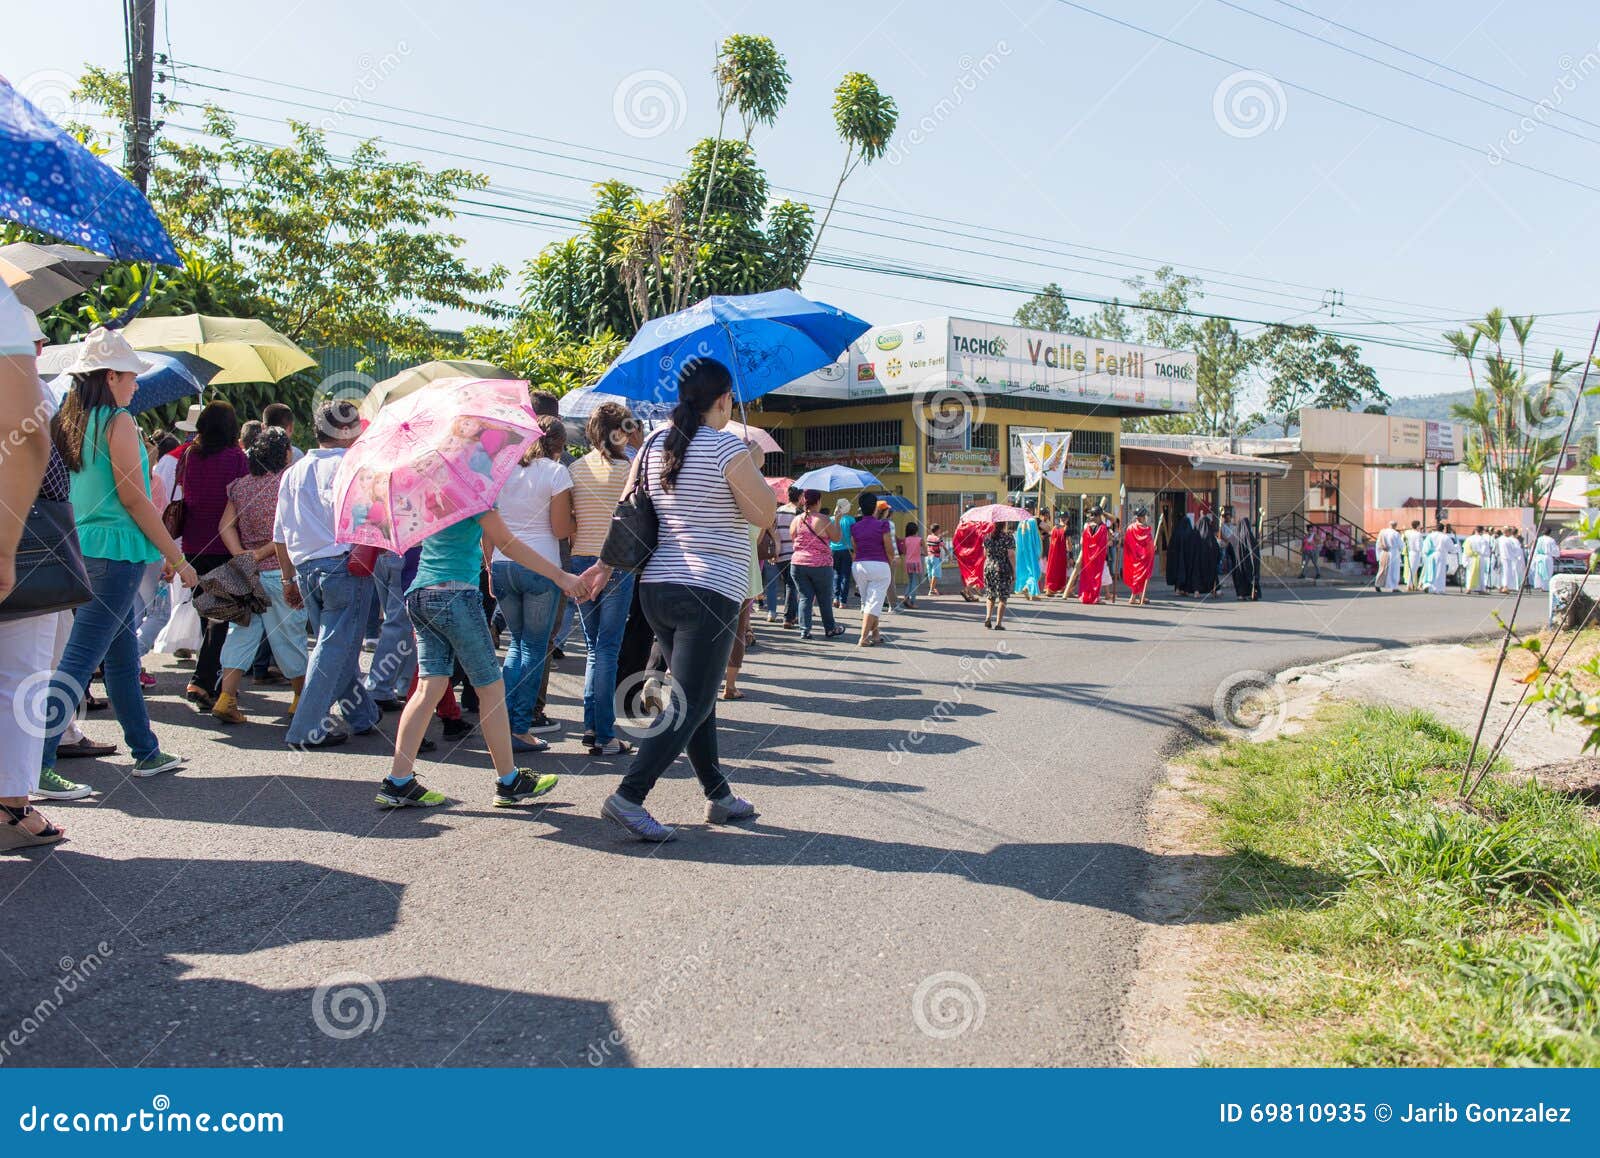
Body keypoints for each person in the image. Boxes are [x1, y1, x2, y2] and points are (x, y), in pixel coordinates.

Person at [576, 358, 776, 842]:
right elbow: (765, 511)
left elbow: (627, 509)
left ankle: (720, 795)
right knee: (690, 702)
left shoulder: (650, 448)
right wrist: (750, 463)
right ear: (724, 398)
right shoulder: (727, 447)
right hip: (710, 589)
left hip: (656, 588)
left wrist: (604, 565)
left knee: (697, 696)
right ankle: (629, 797)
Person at [35, 328, 198, 799]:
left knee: (122, 656)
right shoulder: (118, 421)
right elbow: (133, 497)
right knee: (79, 662)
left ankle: (146, 751)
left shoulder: (70, 419)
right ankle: (38, 765)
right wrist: (177, 556)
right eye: (130, 377)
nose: (135, 385)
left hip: (83, 546)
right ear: (110, 375)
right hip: (117, 553)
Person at [375, 499, 591, 810]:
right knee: (491, 687)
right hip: (454, 595)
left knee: (429, 687)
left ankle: (398, 781)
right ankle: (509, 781)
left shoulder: (427, 491)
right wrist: (560, 576)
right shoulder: (470, 491)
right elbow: (507, 542)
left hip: (421, 593)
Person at [0, 283, 68, 843]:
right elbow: (34, 460)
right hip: (23, 542)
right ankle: (13, 808)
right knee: (21, 676)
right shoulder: (35, 392)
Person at [274, 401, 379, 749]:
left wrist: (288, 579)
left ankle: (362, 714)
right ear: (347, 431)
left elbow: (280, 534)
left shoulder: (294, 471)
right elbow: (366, 518)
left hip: (306, 569)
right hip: (344, 565)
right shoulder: (353, 466)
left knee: (335, 646)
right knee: (335, 648)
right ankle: (305, 727)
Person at [211, 427, 307, 723]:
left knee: (241, 633)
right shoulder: (287, 484)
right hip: (281, 572)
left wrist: (242, 555)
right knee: (290, 635)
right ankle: (300, 700)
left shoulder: (240, 486)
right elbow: (289, 533)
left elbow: (224, 526)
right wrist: (261, 554)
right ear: (286, 454)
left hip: (246, 575)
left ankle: (227, 698)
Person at [490, 415, 573, 753]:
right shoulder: (556, 473)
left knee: (516, 645)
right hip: (541, 567)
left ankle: (505, 721)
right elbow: (559, 530)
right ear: (558, 445)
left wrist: (489, 565)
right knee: (535, 648)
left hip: (501, 564)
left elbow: (488, 526)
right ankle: (520, 728)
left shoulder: (500, 471)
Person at [567, 401, 639, 755]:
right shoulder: (630, 470)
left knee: (595, 648)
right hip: (615, 562)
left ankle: (592, 727)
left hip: (580, 559)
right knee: (607, 648)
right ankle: (605, 734)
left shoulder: (575, 468)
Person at [170, 401, 250, 709]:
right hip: (223, 544)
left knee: (209, 612)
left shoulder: (190, 455)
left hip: (193, 543)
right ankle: (202, 680)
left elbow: (185, 489)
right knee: (221, 617)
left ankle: (209, 676)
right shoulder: (236, 458)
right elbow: (241, 498)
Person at [790, 489, 845, 639]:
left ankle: (804, 630)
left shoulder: (796, 520)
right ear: (818, 501)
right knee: (824, 598)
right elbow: (836, 538)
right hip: (821, 565)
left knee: (805, 597)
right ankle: (830, 628)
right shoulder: (823, 519)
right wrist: (838, 520)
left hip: (798, 564)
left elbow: (793, 537)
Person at [851, 493, 895, 646]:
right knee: (873, 602)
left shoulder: (855, 526)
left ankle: (875, 634)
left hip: (859, 566)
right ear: (875, 507)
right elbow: (889, 548)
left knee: (867, 601)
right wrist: (889, 562)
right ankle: (863, 637)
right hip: (879, 565)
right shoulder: (883, 525)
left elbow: (855, 549)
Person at [764, 485, 800, 626]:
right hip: (793, 553)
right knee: (791, 585)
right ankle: (789, 617)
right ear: (800, 497)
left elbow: (773, 529)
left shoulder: (778, 510)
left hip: (778, 553)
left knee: (783, 584)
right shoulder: (798, 512)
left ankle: (779, 613)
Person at [982, 521, 1016, 630]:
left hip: (989, 567)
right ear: (1004, 524)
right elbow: (1011, 555)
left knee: (990, 594)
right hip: (1002, 568)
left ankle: (988, 617)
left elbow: (985, 554)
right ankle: (998, 623)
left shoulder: (987, 536)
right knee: (1003, 596)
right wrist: (1014, 571)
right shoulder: (1008, 537)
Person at [1077, 508, 1110, 604]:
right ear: (1100, 516)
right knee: (1096, 577)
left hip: (1087, 556)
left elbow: (1082, 542)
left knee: (1087, 577)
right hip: (1098, 557)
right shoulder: (1103, 528)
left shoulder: (1087, 527)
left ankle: (1086, 596)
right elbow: (1103, 544)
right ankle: (1095, 597)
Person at [1123, 507, 1156, 605]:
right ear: (1142, 517)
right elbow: (1149, 544)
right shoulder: (1145, 530)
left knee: (1137, 576)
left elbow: (1127, 543)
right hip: (1144, 557)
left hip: (1134, 557)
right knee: (1141, 577)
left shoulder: (1130, 528)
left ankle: (1141, 596)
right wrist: (1152, 548)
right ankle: (1133, 597)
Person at [830, 497, 855, 608]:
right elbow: (853, 537)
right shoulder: (851, 520)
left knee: (835, 574)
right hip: (847, 550)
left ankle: (835, 597)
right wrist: (855, 551)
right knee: (845, 575)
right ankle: (842, 601)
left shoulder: (831, 519)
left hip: (833, 549)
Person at [1013, 509, 1043, 599]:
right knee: (1035, 572)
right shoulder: (1033, 521)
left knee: (1025, 571)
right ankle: (1028, 589)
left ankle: (1029, 591)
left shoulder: (1020, 523)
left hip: (1022, 552)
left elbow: (1018, 540)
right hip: (1031, 551)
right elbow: (1037, 537)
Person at [1044, 513, 1070, 596]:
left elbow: (1050, 536)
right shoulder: (1066, 528)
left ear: (1059, 519)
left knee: (1052, 570)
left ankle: (1050, 588)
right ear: (1067, 519)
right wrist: (1070, 551)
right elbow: (1068, 544)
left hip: (1052, 553)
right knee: (1060, 570)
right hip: (1061, 553)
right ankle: (1059, 588)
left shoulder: (1054, 528)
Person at [899, 520, 923, 609]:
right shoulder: (920, 540)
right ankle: (912, 601)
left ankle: (906, 597)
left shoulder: (905, 540)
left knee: (910, 581)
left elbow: (904, 552)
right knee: (915, 583)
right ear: (916, 530)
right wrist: (921, 553)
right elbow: (925, 552)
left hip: (908, 563)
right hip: (916, 563)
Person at [1374, 520, 1403, 593]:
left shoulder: (1382, 532)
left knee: (1383, 569)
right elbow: (1401, 545)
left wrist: (1379, 553)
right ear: (1395, 526)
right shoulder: (1396, 533)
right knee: (1394, 570)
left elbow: (1378, 543)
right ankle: (1394, 587)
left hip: (1384, 552)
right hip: (1394, 552)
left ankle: (1378, 584)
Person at [1497, 526, 1527, 593]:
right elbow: (1514, 549)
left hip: (1502, 558)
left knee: (1502, 573)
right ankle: (1505, 587)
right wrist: (1520, 550)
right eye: (1509, 531)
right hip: (1508, 558)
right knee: (1507, 573)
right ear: (1507, 532)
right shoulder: (1508, 540)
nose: (1510, 533)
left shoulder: (1500, 539)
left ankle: (1501, 586)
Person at [1530, 526, 1558, 592]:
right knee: (1547, 572)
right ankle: (1545, 587)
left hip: (1539, 557)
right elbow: (1554, 550)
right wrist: (1557, 552)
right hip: (1547, 557)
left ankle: (1540, 586)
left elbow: (1535, 549)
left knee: (1540, 572)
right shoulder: (1551, 540)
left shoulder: (1539, 539)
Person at [1402, 520, 1425, 590]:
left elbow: (1403, 538)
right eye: (1419, 525)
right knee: (1413, 570)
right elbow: (1419, 546)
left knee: (1411, 569)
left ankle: (1410, 585)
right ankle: (1409, 585)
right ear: (1417, 526)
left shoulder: (1408, 532)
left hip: (1410, 552)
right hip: (1416, 553)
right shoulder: (1418, 534)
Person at [924, 523, 946, 596]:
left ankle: (932, 589)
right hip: (935, 557)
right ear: (937, 530)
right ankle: (931, 590)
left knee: (930, 574)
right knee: (935, 574)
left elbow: (934, 540)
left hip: (928, 557)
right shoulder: (938, 539)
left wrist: (939, 537)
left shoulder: (928, 537)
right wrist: (949, 553)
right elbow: (943, 545)